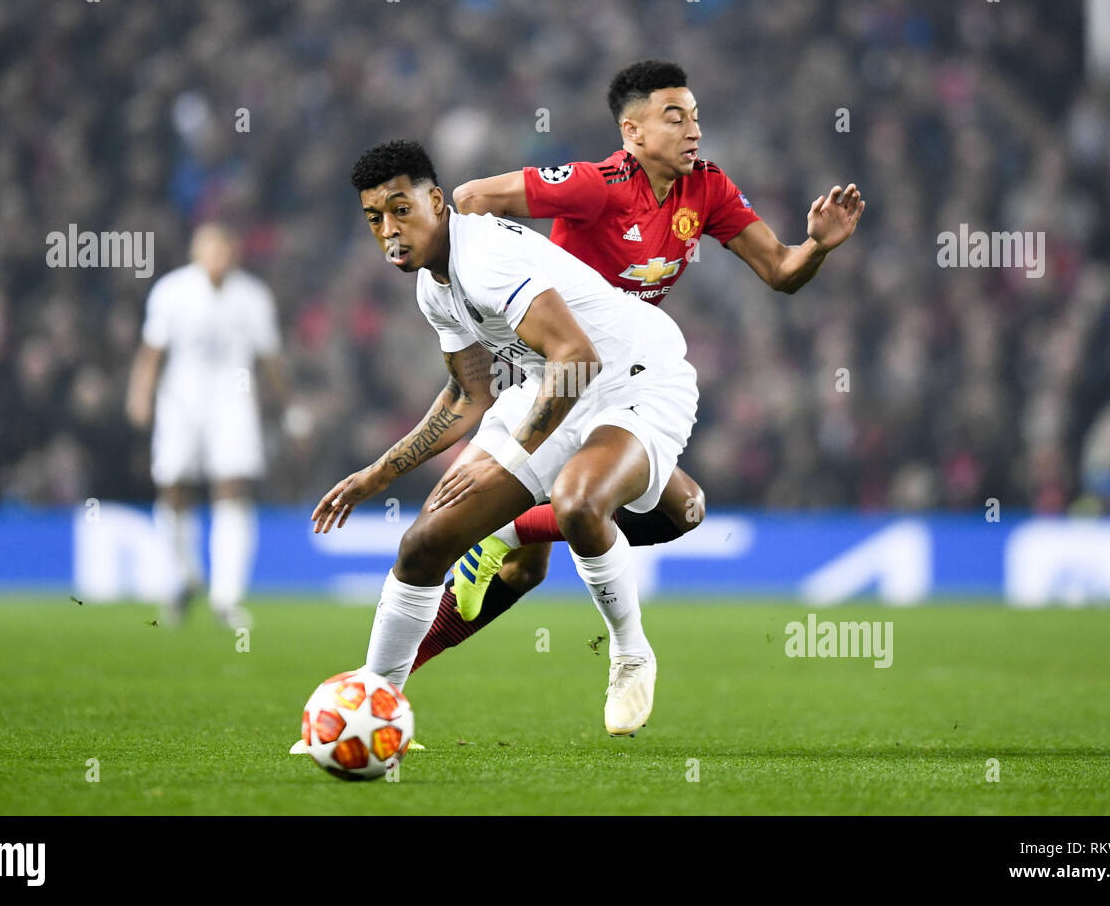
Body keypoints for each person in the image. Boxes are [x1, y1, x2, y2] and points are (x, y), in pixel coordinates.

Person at [412, 60, 865, 669]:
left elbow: (781, 272)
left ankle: (509, 530)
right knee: (529, 563)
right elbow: (469, 198)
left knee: (681, 512)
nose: (693, 130)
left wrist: (816, 246)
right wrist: (497, 292)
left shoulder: (707, 189)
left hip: (626, 380)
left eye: (696, 117)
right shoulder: (593, 184)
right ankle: (389, 681)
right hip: (563, 377)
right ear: (633, 131)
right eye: (674, 117)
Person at [312, 139, 701, 734]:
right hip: (555, 384)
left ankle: (630, 655)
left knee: (577, 502)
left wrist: (510, 459)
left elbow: (578, 356)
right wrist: (381, 473)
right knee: (423, 545)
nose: (389, 230)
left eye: (401, 209)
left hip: (636, 378)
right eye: (374, 218)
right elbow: (470, 396)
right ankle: (373, 705)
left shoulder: (484, 255)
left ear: (436, 201)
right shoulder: (433, 288)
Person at [126, 223, 285, 628]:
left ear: (233, 252)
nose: (217, 256)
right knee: (174, 487)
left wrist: (287, 406)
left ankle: (226, 596)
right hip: (179, 402)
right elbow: (152, 351)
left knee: (232, 486)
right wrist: (141, 394)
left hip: (233, 400)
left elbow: (269, 359)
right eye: (209, 248)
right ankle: (183, 578)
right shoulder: (172, 291)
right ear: (197, 252)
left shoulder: (252, 297)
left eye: (223, 248)